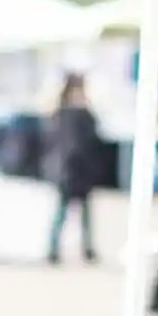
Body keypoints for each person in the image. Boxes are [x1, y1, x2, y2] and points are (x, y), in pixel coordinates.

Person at [45, 73, 103, 264]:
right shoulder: (81, 115)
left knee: (67, 213)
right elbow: (90, 142)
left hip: (68, 170)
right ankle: (80, 250)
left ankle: (58, 250)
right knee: (70, 213)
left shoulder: (58, 113)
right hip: (75, 170)